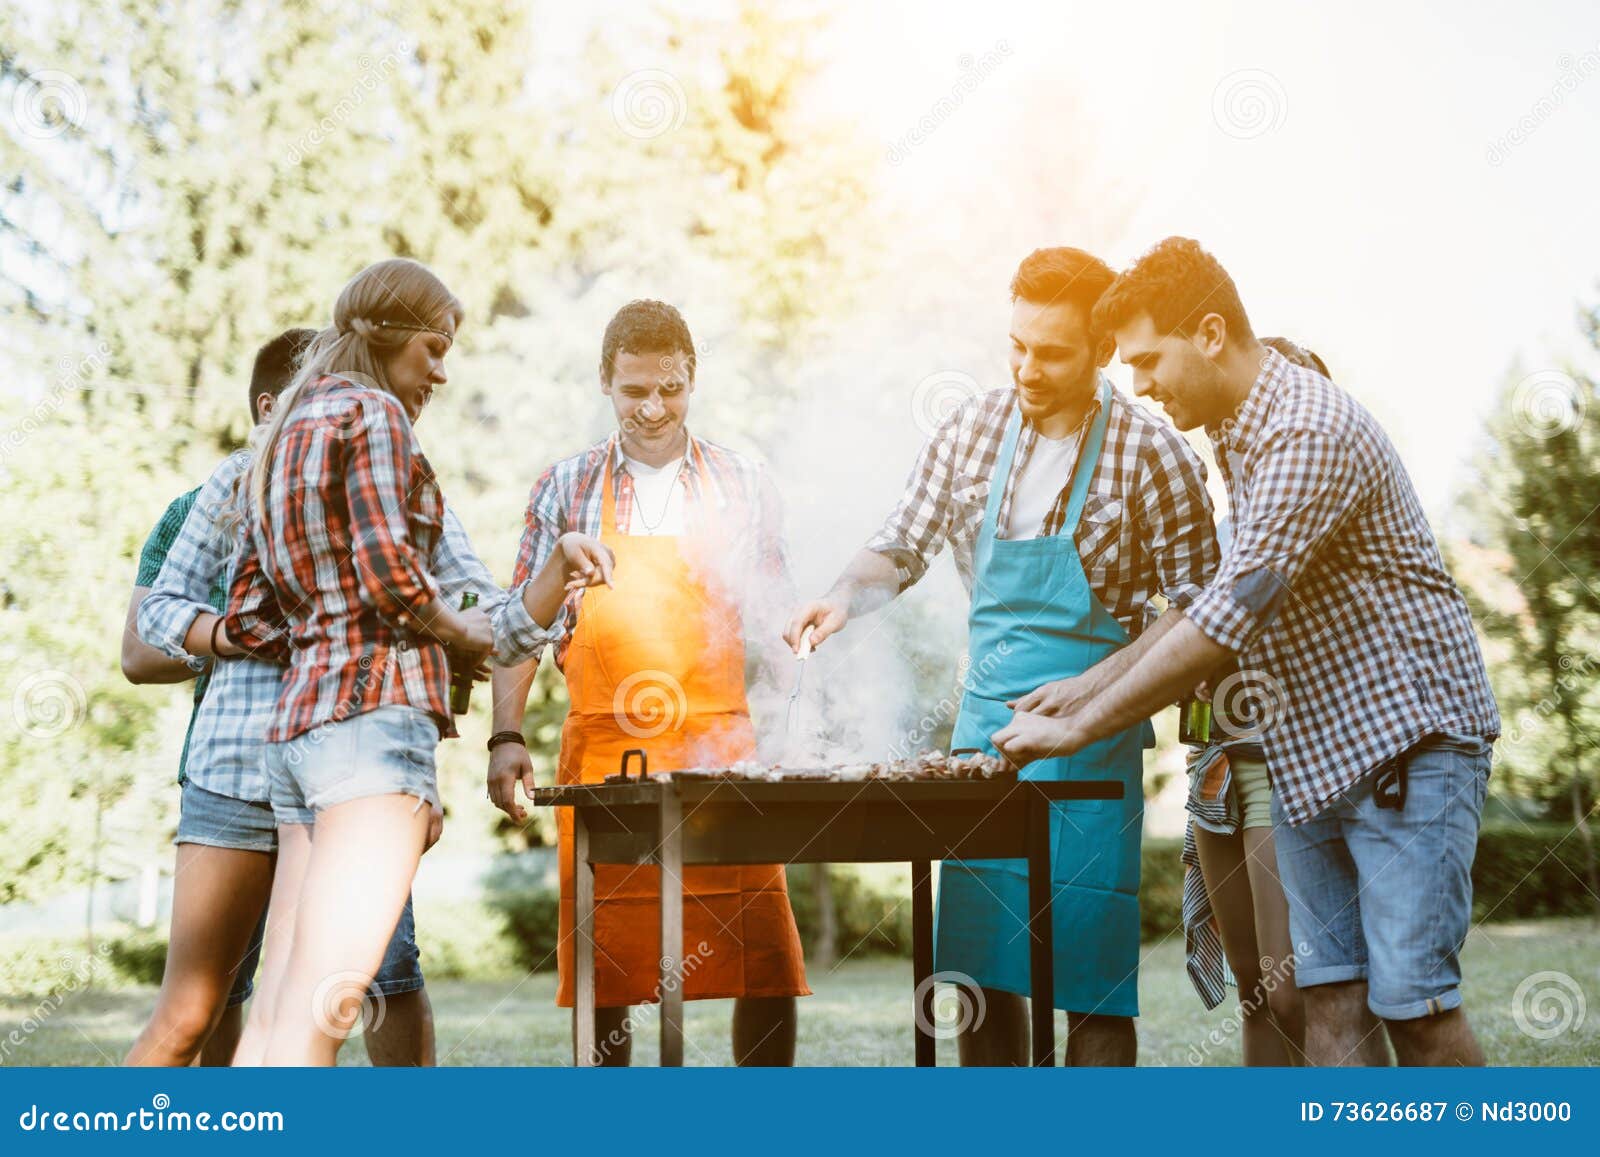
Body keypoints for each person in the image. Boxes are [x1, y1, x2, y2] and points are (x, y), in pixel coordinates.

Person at [995, 237, 1500, 1067]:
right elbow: (1208, 597)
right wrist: (1082, 687)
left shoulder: (1306, 429)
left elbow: (1225, 621)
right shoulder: (1235, 429)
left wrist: (1077, 729)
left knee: (1415, 1007)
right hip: (1313, 752)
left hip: (1406, 745)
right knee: (1328, 999)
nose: (1139, 385)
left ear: (1209, 332)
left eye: (1148, 361)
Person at [786, 248, 1220, 1065]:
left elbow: (1201, 608)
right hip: (986, 743)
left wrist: (1097, 693)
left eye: (1051, 352)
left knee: (1091, 983)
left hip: (1095, 743)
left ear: (1102, 350)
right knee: (981, 977)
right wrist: (842, 595)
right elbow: (904, 542)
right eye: (1016, 345)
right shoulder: (971, 429)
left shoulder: (1153, 454)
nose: (1026, 368)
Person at [127, 327, 471, 1067]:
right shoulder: (228, 485)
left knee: (358, 994)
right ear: (271, 407)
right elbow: (146, 634)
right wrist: (237, 634)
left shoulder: (391, 477)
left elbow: (457, 596)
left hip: (352, 776)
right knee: (197, 1012)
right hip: (236, 770)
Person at [487, 299, 808, 1066]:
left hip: (723, 757)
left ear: (692, 378)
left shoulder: (741, 481)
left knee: (763, 957)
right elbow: (520, 626)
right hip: (609, 761)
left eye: (670, 388)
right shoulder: (565, 485)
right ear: (606, 381)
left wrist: (803, 722)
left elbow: (777, 617)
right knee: (609, 969)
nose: (654, 408)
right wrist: (504, 735)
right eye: (635, 391)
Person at [222, 259, 498, 1065]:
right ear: (386, 335)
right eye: (433, 348)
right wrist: (459, 630)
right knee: (321, 1017)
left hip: (297, 736)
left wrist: (324, 628)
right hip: (372, 731)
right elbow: (388, 570)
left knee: (278, 1013)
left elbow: (247, 614)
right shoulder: (374, 413)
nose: (441, 372)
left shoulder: (284, 429)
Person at [1174, 334, 1324, 1067]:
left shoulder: (1318, 511)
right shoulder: (1222, 531)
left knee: (1292, 988)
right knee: (1255, 991)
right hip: (1215, 764)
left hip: (1282, 765)